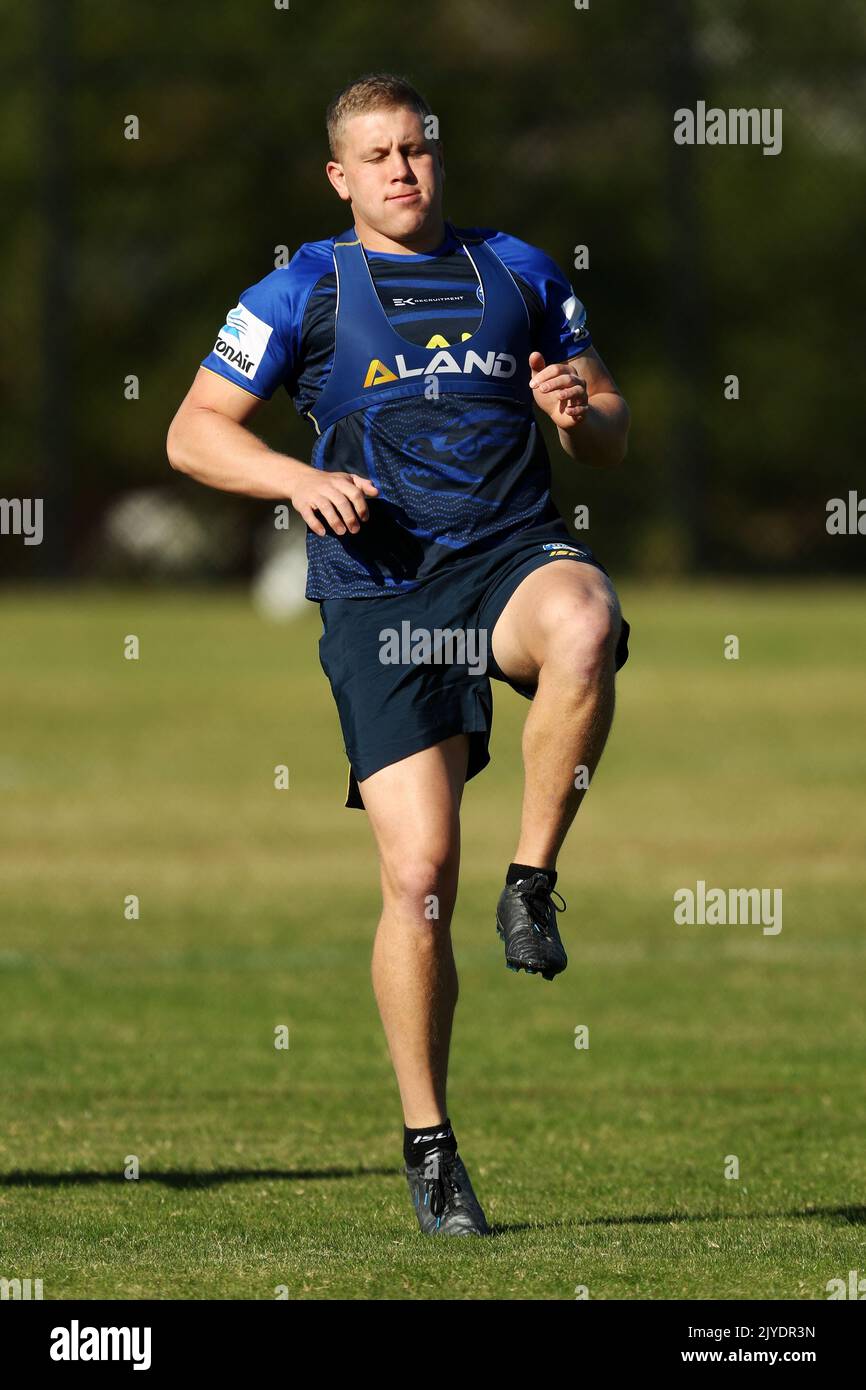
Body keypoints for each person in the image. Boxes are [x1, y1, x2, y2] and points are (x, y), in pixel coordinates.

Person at [167, 72, 630, 1237]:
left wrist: (579, 413)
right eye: (376, 157)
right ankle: (429, 1144)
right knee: (417, 877)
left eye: (415, 149)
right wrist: (297, 477)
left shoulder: (520, 269)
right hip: (379, 590)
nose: (401, 171)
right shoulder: (303, 287)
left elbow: (610, 430)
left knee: (584, 620)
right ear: (340, 177)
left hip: (508, 557)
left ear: (438, 154)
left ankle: (529, 884)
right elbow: (192, 432)